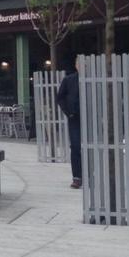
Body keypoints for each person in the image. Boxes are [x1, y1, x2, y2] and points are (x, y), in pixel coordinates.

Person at [55, 59, 82, 189]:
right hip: (75, 118)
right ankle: (77, 177)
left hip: (91, 118)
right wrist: (68, 112)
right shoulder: (69, 80)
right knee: (76, 146)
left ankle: (90, 175)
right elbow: (60, 97)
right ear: (76, 65)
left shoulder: (95, 79)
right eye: (79, 63)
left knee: (92, 147)